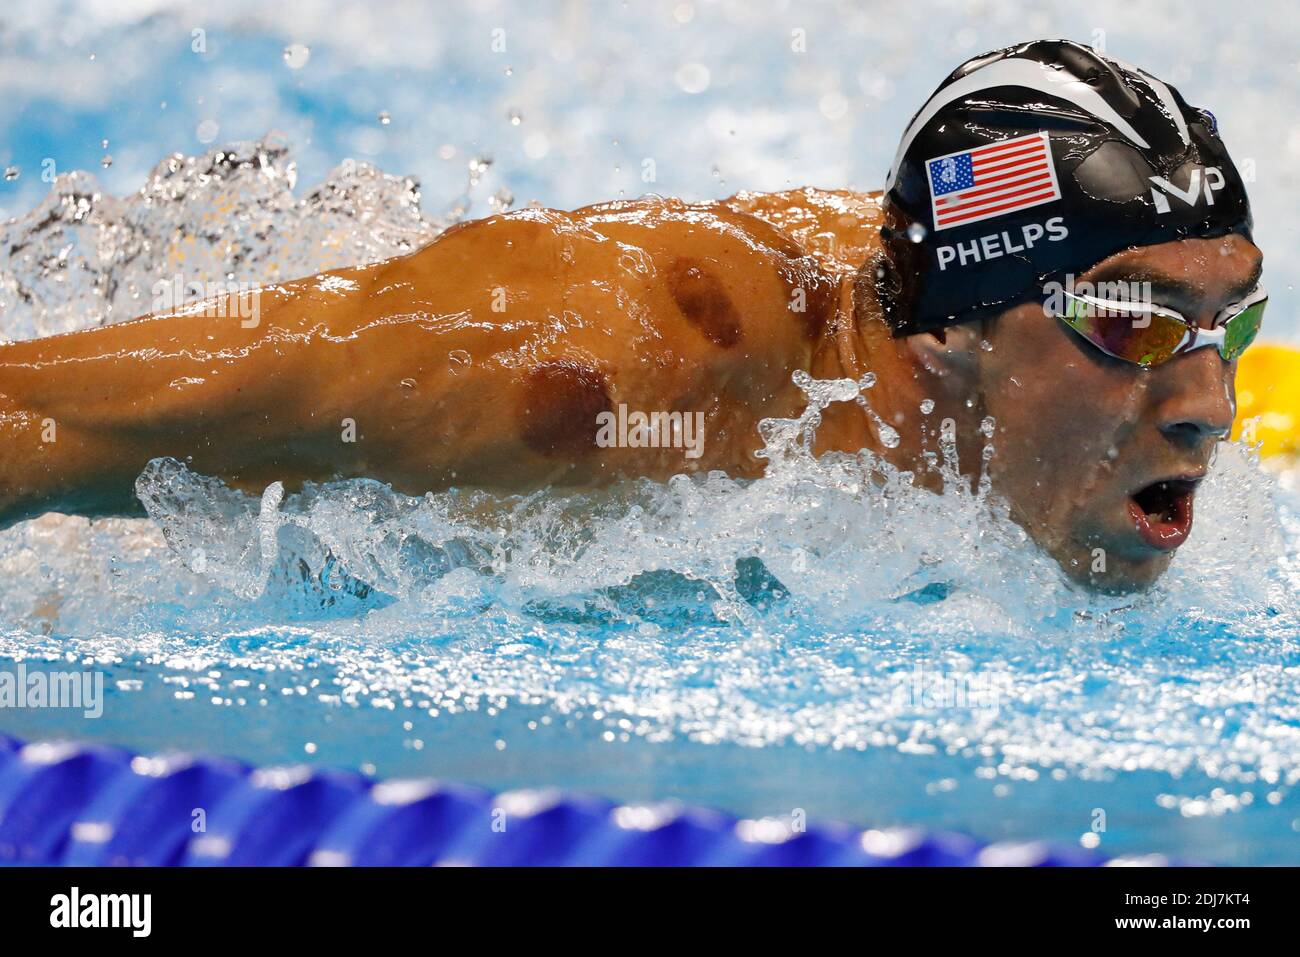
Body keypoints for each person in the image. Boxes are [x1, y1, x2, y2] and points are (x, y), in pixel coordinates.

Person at [0, 40, 1263, 593]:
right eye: (1132, 325)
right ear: (953, 331)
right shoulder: (610, 376)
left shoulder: (983, 341)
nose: (1209, 405)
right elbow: (32, 411)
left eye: (1223, 323)